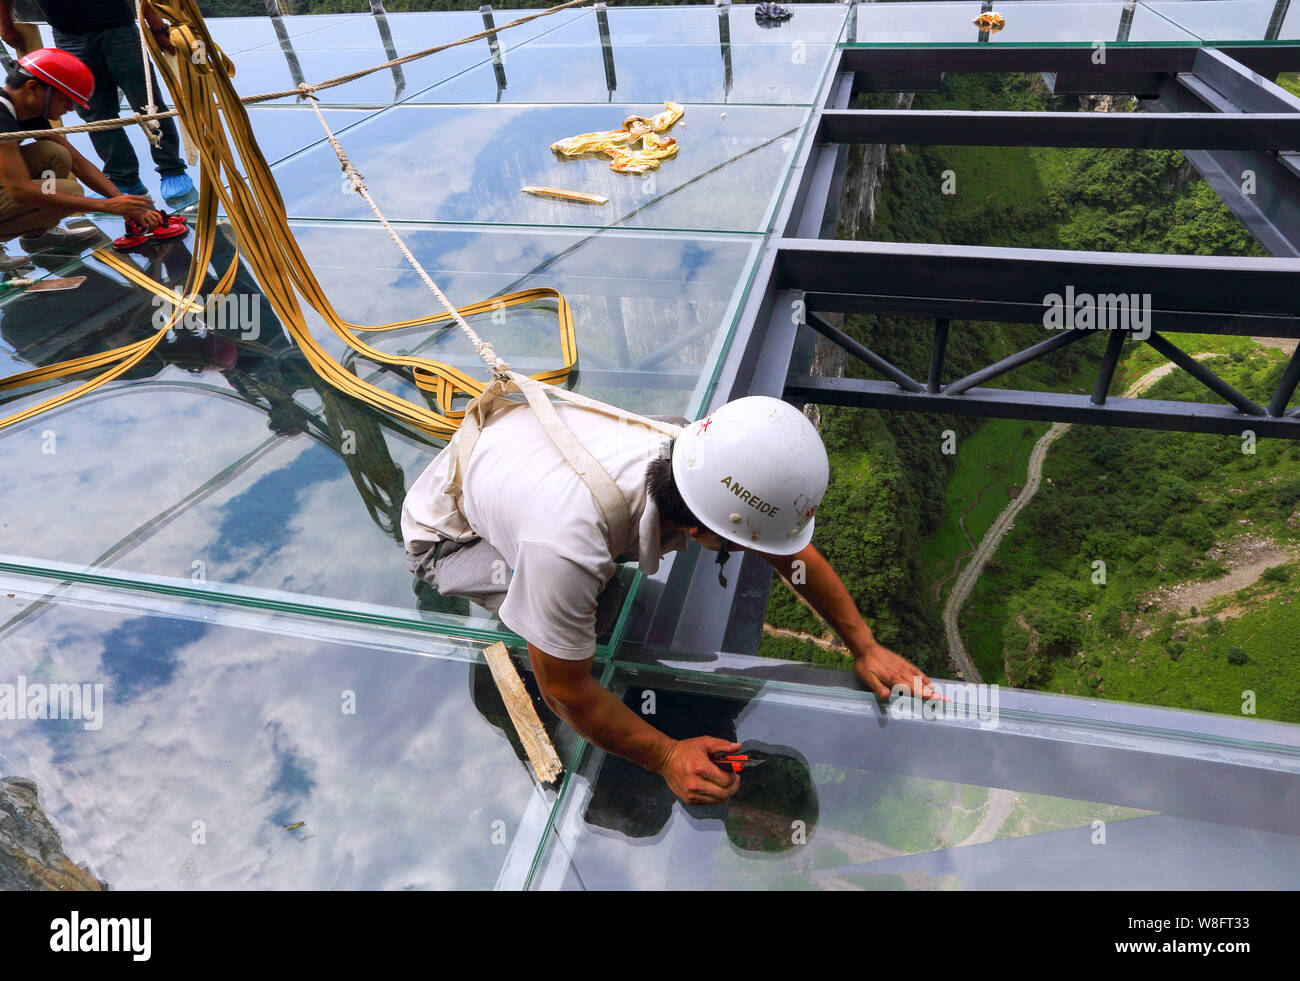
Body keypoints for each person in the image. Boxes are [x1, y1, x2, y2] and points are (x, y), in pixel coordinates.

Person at [401, 394, 938, 807]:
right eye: (739, 544)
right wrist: (665, 754)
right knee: (603, 614)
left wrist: (863, 645)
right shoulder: (566, 548)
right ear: (707, 527)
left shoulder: (691, 449)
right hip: (451, 533)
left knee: (598, 596)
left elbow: (791, 556)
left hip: (520, 448)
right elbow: (565, 691)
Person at [0, 0, 198, 211]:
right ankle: (123, 179)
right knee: (94, 113)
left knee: (148, 103)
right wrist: (5, 23)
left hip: (119, 28)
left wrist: (156, 27)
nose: (65, 108)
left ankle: (172, 170)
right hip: (68, 33)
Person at [0, 47, 163, 270]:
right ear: (32, 88)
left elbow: (76, 161)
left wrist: (123, 201)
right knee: (69, 191)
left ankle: (38, 235)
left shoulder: (23, 109)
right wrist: (106, 206)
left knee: (53, 154)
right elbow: (20, 190)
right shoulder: (2, 117)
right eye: (66, 99)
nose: (70, 108)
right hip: (14, 188)